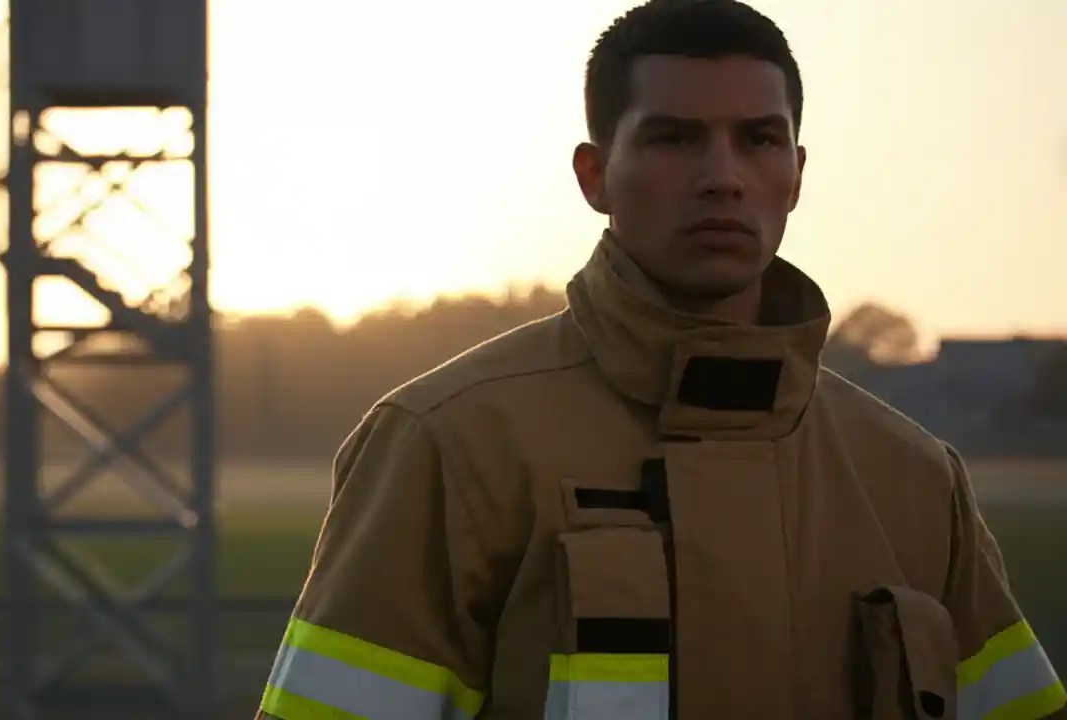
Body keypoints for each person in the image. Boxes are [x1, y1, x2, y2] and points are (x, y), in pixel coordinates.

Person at [257, 0, 1066, 717]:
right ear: (594, 175)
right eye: (675, 139)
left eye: (758, 140)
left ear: (795, 175)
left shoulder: (915, 479)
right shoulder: (448, 444)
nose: (723, 179)